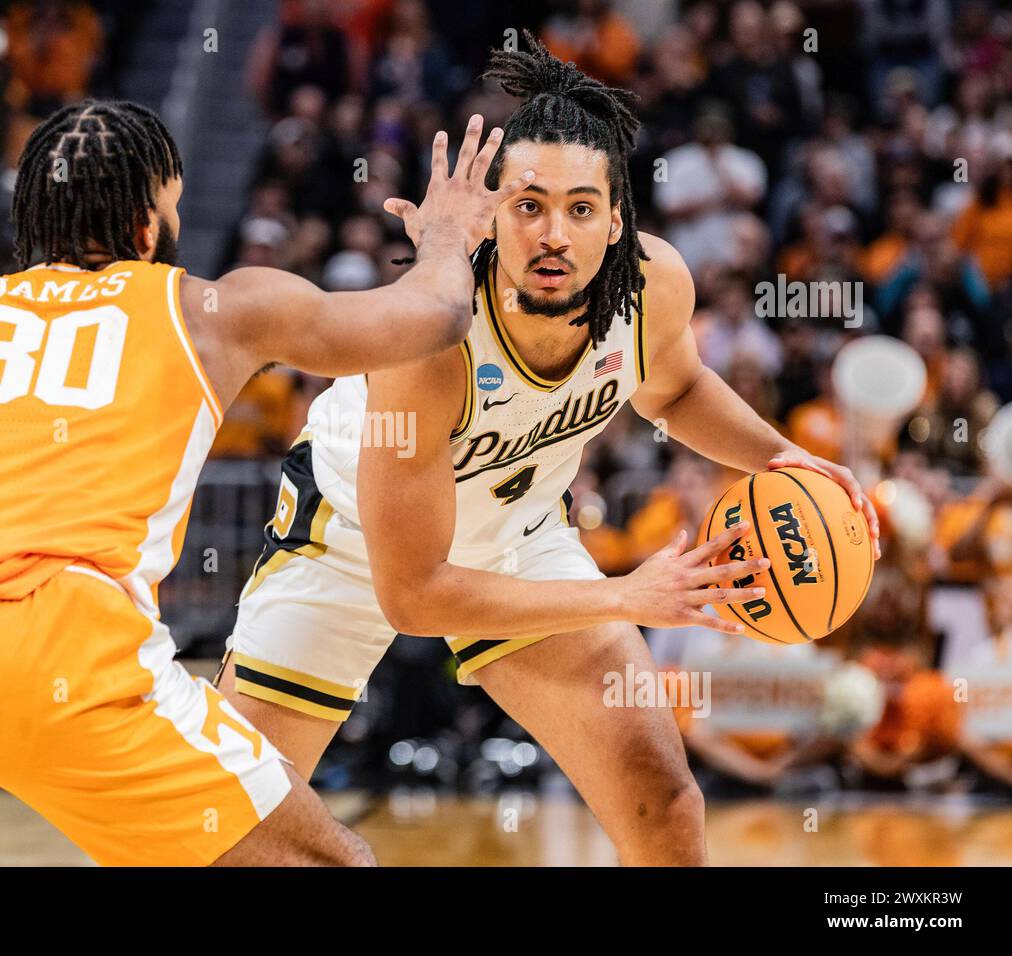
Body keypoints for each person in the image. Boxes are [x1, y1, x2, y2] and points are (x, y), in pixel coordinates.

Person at [0, 99, 533, 866]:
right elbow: (430, 319)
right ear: (149, 225)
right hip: (74, 660)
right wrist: (448, 235)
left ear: (28, 221)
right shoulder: (213, 309)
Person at [217, 35, 880, 866]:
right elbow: (416, 597)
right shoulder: (430, 341)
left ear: (616, 220)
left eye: (579, 207)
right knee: (230, 837)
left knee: (666, 803)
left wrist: (786, 458)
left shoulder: (652, 286)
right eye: (529, 205)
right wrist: (623, 597)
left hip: (519, 533)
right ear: (494, 213)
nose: (553, 233)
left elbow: (672, 391)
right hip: (351, 544)